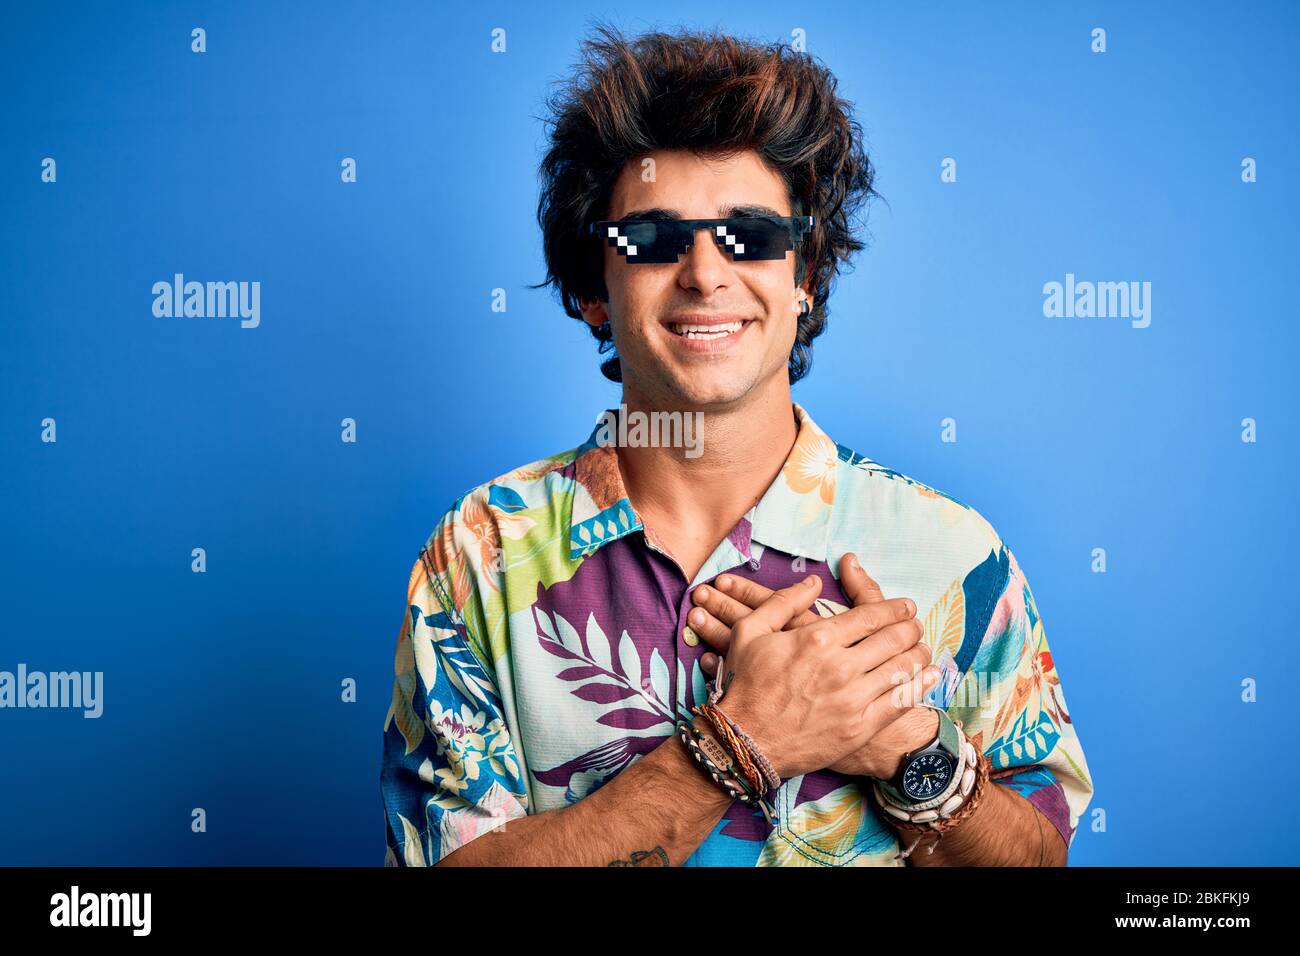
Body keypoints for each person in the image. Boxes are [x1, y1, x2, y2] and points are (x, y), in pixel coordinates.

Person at [380, 23, 1092, 867]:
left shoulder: (953, 554)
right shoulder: (479, 555)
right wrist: (741, 741)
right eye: (649, 239)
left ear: (805, 277)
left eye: (750, 235)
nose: (706, 273)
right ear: (590, 289)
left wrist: (910, 746)